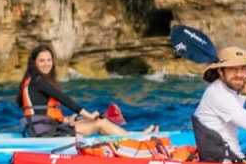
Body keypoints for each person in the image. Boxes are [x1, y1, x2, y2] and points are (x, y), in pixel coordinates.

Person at [17, 44, 148, 137]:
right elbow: (64, 99)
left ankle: (124, 142)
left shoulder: (32, 80)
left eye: (49, 60)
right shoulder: (38, 81)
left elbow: (40, 112)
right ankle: (134, 142)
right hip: (45, 133)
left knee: (91, 123)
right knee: (100, 122)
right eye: (42, 61)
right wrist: (88, 115)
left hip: (41, 129)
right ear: (34, 63)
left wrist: (66, 120)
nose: (46, 64)